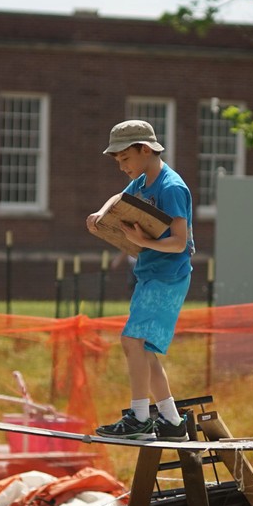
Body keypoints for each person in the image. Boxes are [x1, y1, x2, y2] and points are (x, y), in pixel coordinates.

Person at [87, 119, 194, 441]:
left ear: (144, 149)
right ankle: (173, 423)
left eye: (124, 159)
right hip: (150, 275)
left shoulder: (170, 187)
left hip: (168, 277)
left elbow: (179, 241)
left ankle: (139, 417)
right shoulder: (143, 183)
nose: (122, 167)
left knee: (131, 341)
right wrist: (101, 215)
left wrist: (144, 243)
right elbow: (118, 199)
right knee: (143, 348)